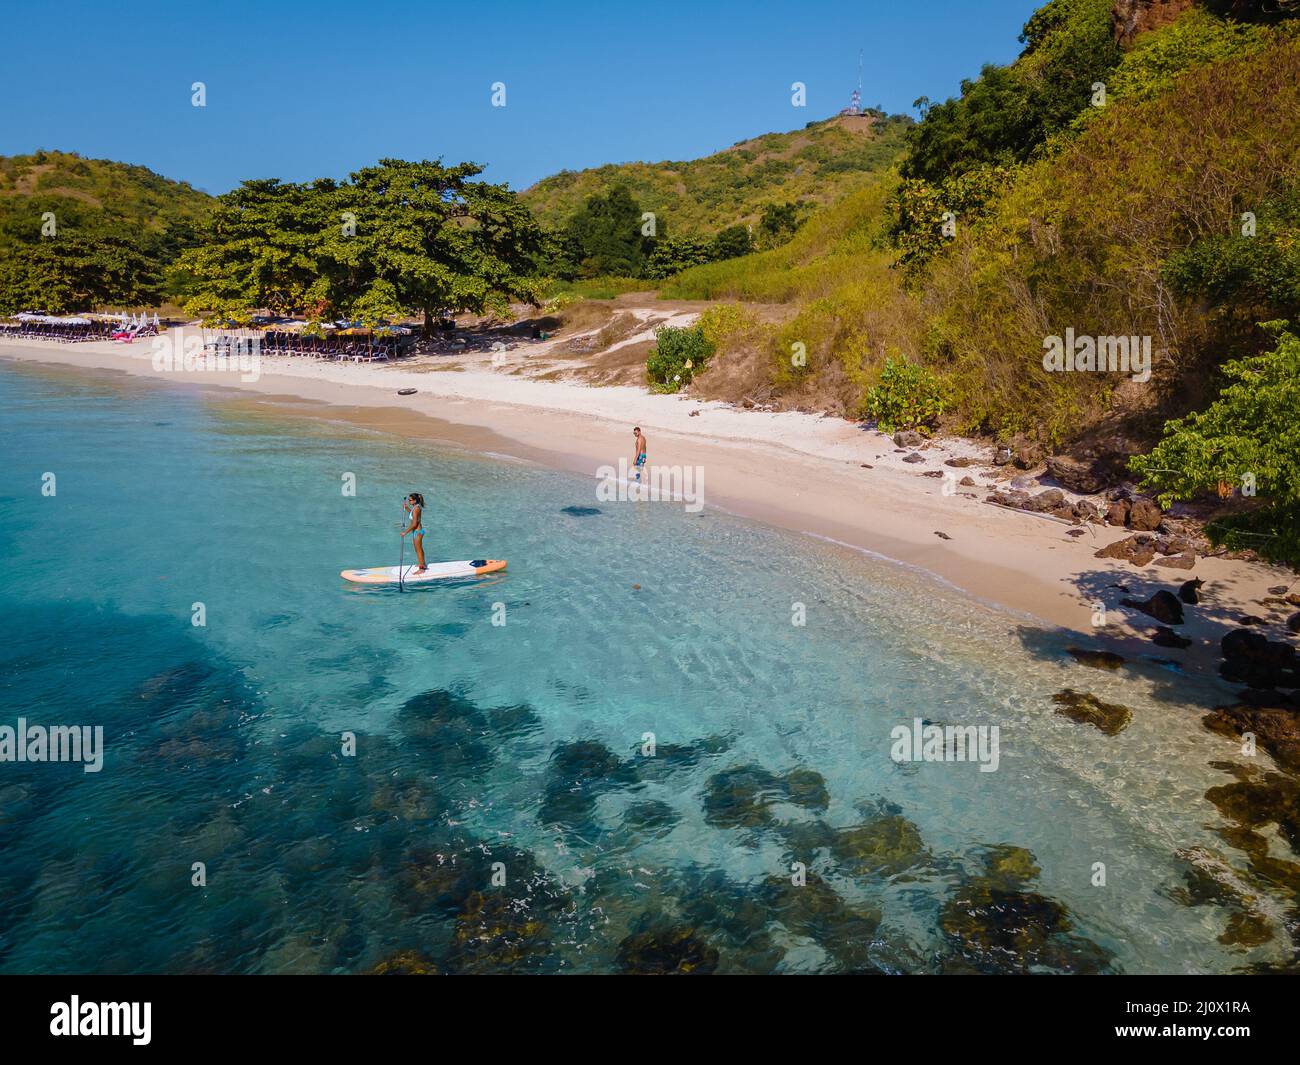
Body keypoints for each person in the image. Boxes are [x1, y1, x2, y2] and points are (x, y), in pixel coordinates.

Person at [400, 492, 427, 572]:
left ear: (415, 501)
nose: (409, 501)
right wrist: (407, 508)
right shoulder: (416, 507)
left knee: (418, 550)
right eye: (408, 500)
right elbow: (412, 515)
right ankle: (422, 563)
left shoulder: (416, 509)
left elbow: (414, 524)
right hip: (417, 531)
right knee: (418, 549)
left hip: (417, 532)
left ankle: (422, 569)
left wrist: (405, 532)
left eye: (410, 500)